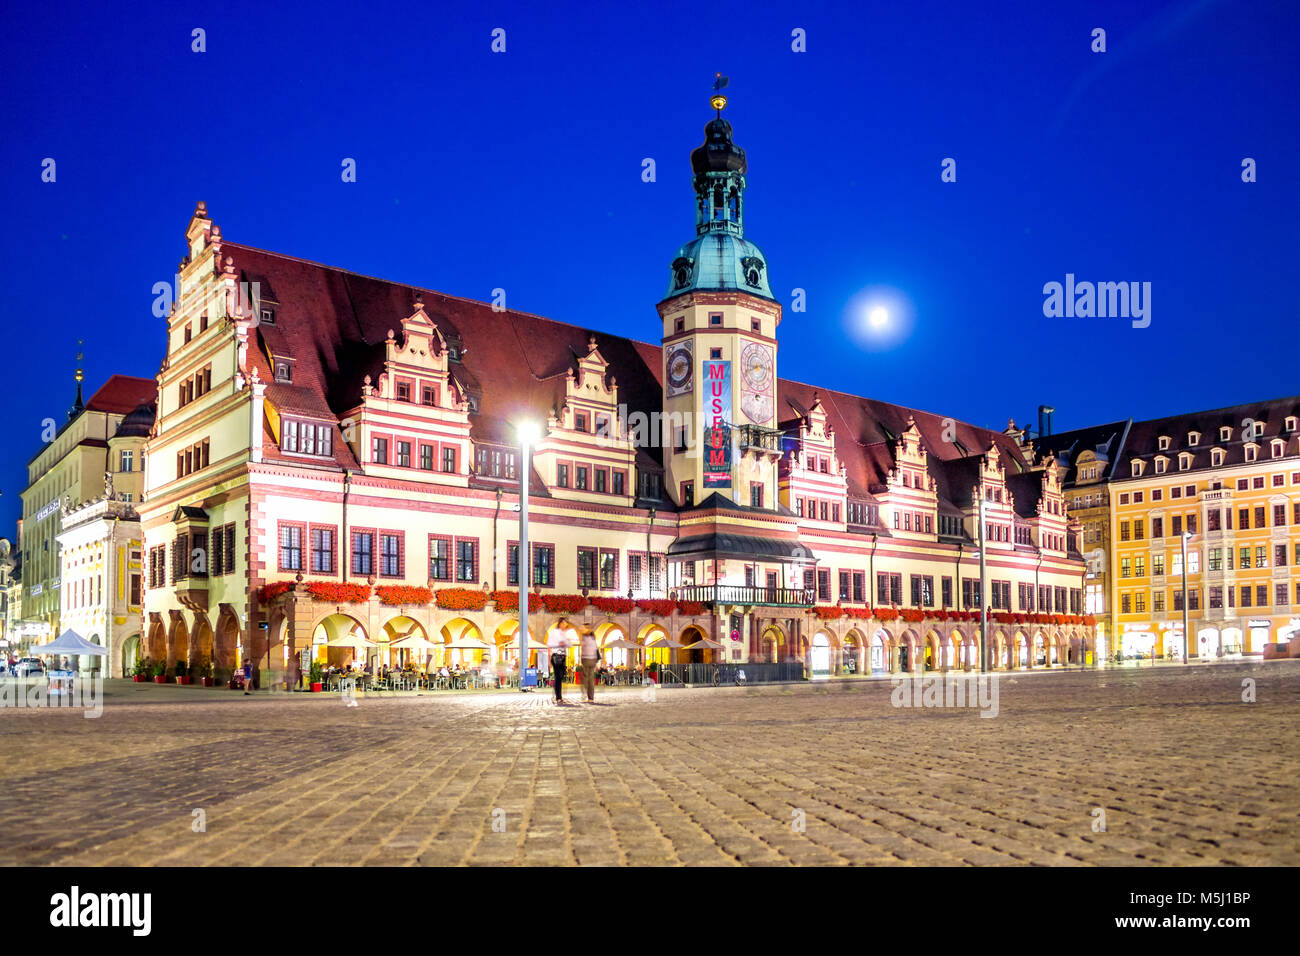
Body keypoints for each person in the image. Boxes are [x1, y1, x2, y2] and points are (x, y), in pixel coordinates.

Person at [548, 618, 579, 703]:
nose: (565, 626)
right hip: (556, 656)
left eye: (566, 625)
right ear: (560, 624)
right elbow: (549, 644)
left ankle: (557, 694)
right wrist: (559, 644)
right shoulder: (554, 632)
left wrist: (567, 642)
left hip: (563, 657)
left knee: (561, 676)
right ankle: (558, 697)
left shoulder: (565, 634)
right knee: (558, 676)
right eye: (564, 624)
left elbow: (569, 645)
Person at [579, 625, 600, 702]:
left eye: (583, 628)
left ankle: (585, 693)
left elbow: (584, 648)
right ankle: (591, 697)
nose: (581, 629)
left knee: (585, 678)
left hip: (586, 659)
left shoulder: (585, 638)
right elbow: (595, 648)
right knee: (591, 679)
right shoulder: (593, 638)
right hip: (593, 659)